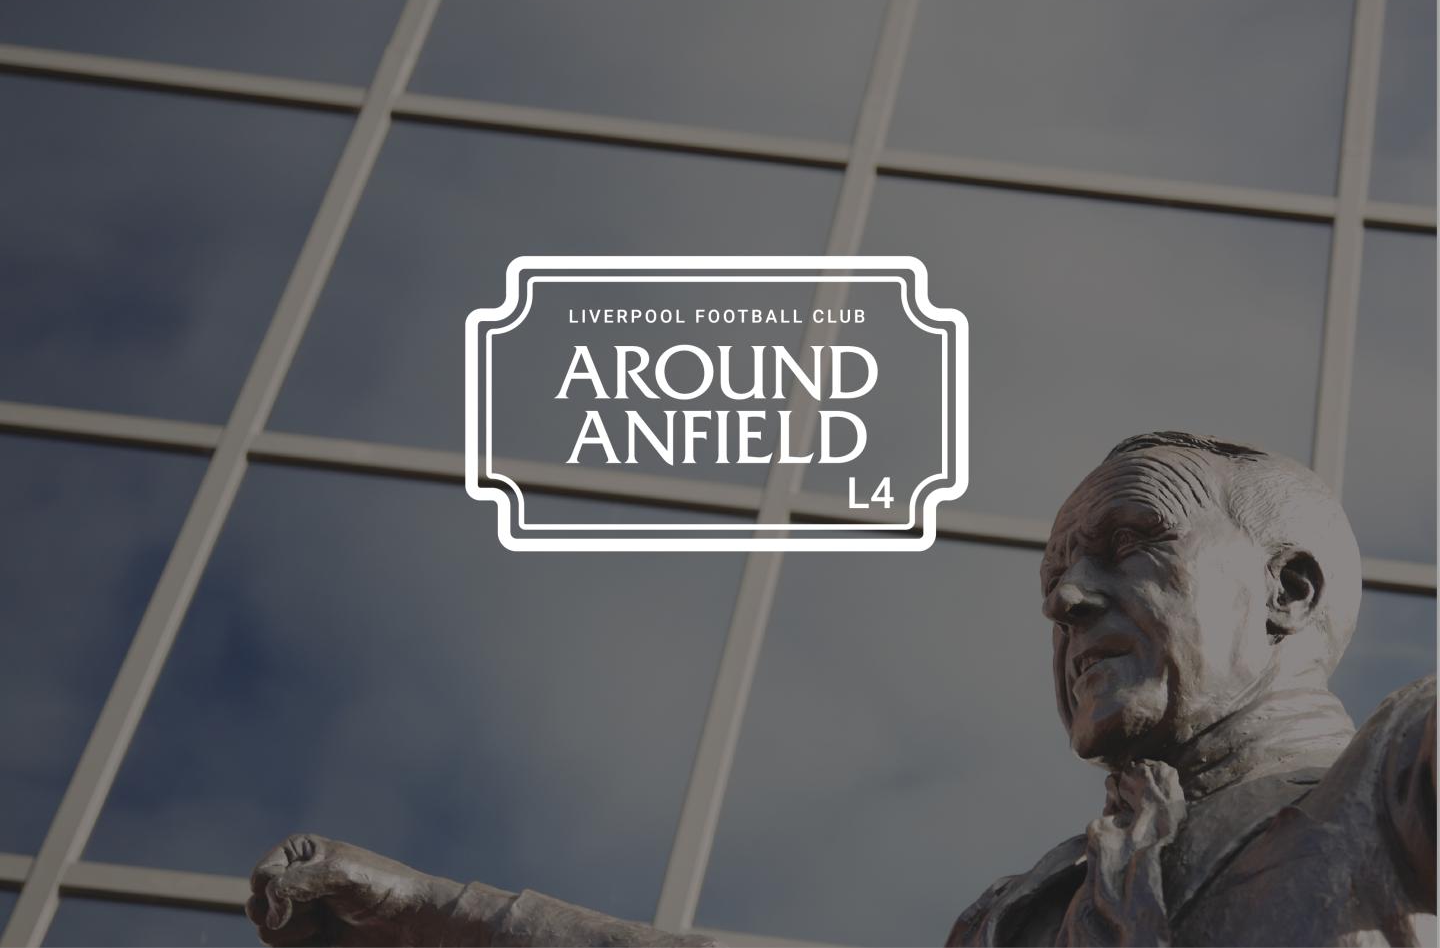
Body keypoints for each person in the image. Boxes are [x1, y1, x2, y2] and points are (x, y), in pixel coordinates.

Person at [247, 432, 1436, 947]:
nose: (1069, 599)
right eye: (1053, 580)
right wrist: (446, 920)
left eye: (1130, 544)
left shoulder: (1398, 779)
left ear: (1286, 588)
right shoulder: (1024, 916)